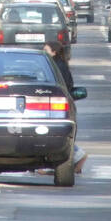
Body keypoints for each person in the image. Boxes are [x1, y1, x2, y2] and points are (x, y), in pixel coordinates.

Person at [44, 41, 87, 174]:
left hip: (57, 106)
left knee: (54, 134)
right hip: (61, 104)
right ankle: (76, 157)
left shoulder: (56, 67)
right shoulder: (58, 65)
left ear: (54, 52)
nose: (43, 53)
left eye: (46, 50)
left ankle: (78, 155)